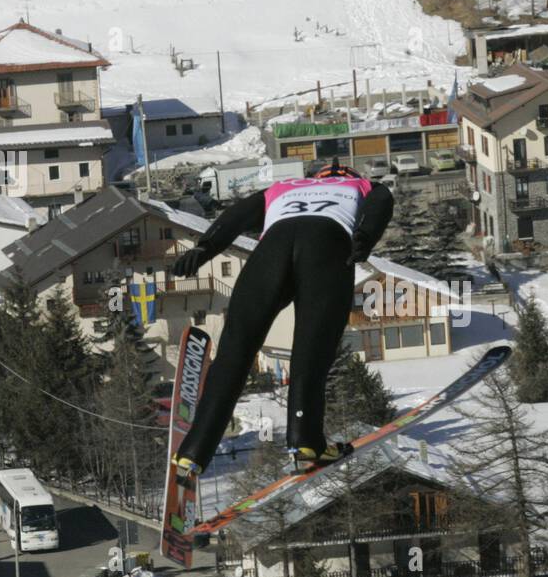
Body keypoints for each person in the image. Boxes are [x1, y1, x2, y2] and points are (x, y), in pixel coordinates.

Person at [168, 160, 393, 480]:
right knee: (311, 349)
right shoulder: (364, 186)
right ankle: (305, 440)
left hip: (271, 251)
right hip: (327, 246)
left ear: (316, 178)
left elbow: (236, 216)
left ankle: (194, 449)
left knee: (236, 347)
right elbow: (381, 204)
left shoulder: (281, 188)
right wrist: (364, 239)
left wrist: (204, 249)